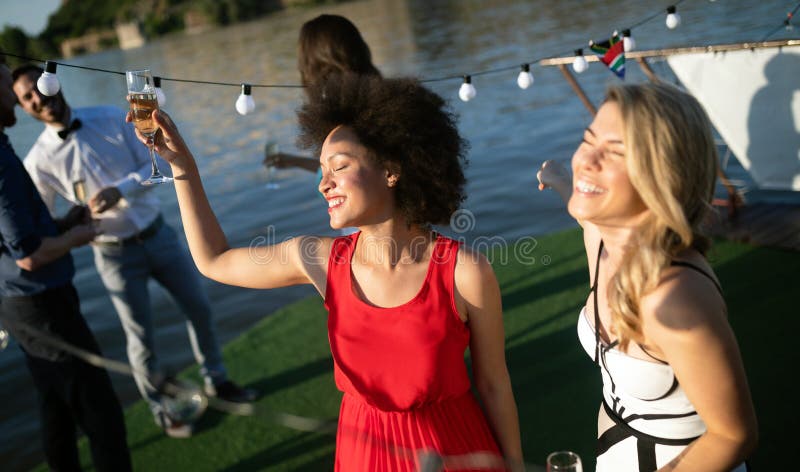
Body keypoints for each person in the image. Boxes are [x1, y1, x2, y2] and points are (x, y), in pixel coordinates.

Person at [131, 74, 524, 471]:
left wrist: (516, 466)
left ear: (391, 169)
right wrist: (183, 166)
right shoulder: (319, 260)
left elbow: (493, 384)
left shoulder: (464, 271)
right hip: (363, 456)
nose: (323, 184)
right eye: (321, 170)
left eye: (339, 167)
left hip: (456, 451)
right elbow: (213, 260)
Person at [12, 64, 255, 439]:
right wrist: (72, 224)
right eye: (26, 97)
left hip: (160, 235)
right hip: (112, 255)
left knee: (200, 307)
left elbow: (152, 165)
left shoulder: (111, 116)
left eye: (39, 89)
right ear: (23, 107)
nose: (37, 98)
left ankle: (218, 382)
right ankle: (163, 410)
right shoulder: (36, 162)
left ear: (54, 85)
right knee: (140, 339)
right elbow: (46, 222)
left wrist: (120, 189)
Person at [537, 82, 757, 471]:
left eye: (616, 153)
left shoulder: (672, 296)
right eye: (588, 140)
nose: (587, 159)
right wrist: (558, 178)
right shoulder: (604, 239)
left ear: (661, 175)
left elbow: (733, 434)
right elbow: (581, 211)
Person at [0, 57, 132, 471]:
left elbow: (23, 235)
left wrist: (64, 221)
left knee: (54, 407)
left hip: (19, 304)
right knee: (101, 412)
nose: (13, 95)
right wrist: (80, 236)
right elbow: (28, 254)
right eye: (7, 87)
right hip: (42, 307)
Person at [263, 14, 381, 173]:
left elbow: (354, 178)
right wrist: (295, 161)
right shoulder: (389, 100)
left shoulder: (345, 115)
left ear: (312, 65)